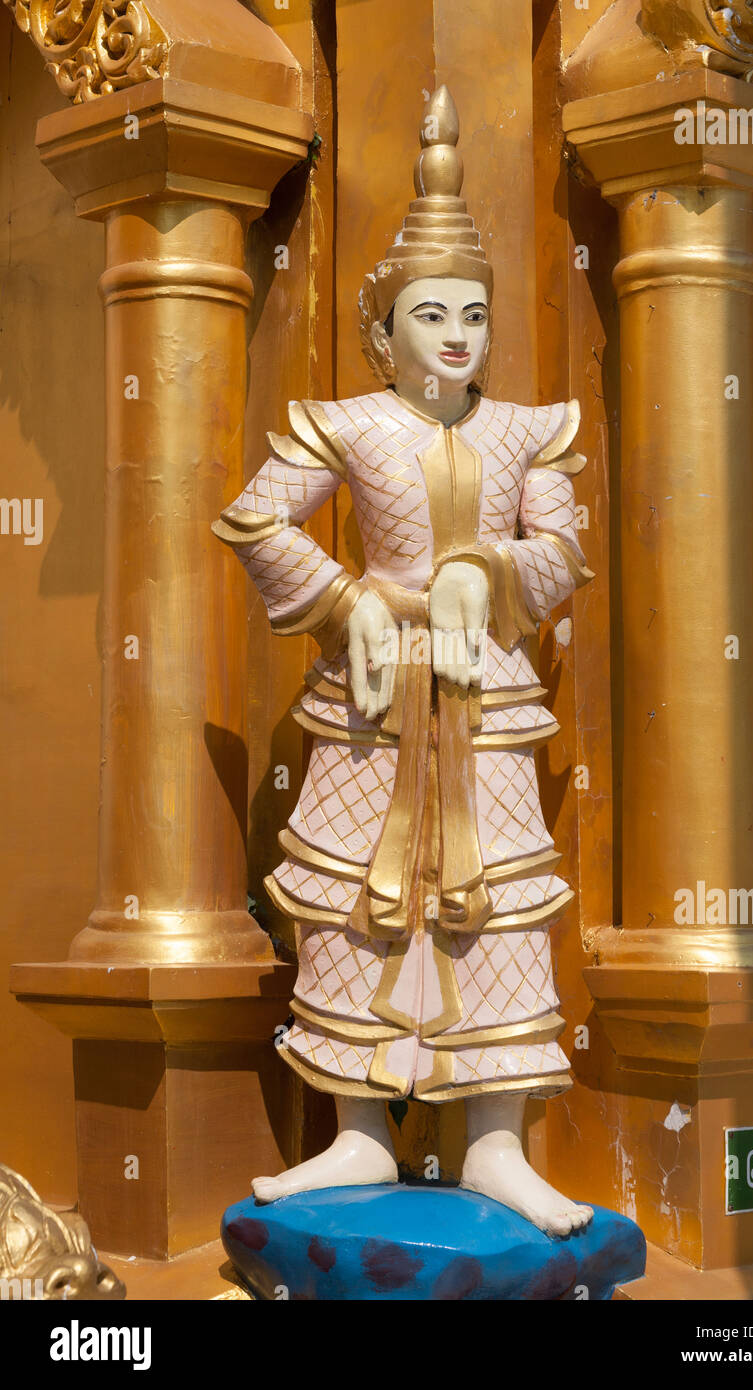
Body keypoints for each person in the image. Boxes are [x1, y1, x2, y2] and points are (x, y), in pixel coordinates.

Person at [213, 86, 594, 1236]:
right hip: (368, 703)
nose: (455, 337)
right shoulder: (346, 422)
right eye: (429, 316)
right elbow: (252, 518)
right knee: (354, 901)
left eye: (469, 314)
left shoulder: (526, 427)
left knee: (496, 905)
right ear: (384, 331)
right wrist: (346, 603)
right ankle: (356, 1138)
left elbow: (564, 546)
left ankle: (493, 1145)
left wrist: (488, 569)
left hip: (484, 701)